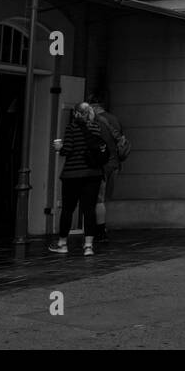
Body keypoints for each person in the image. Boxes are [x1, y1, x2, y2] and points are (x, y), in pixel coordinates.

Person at [48, 103, 112, 256]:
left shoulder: (72, 128)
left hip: (73, 174)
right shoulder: (96, 127)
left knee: (68, 209)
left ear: (76, 113)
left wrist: (59, 148)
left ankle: (62, 243)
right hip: (93, 174)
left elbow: (68, 149)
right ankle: (88, 246)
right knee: (89, 209)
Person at [88, 96, 125, 244]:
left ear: (94, 107)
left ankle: (99, 231)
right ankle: (101, 229)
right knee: (104, 199)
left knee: (98, 199)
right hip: (115, 164)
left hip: (102, 164)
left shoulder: (96, 120)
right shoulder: (114, 119)